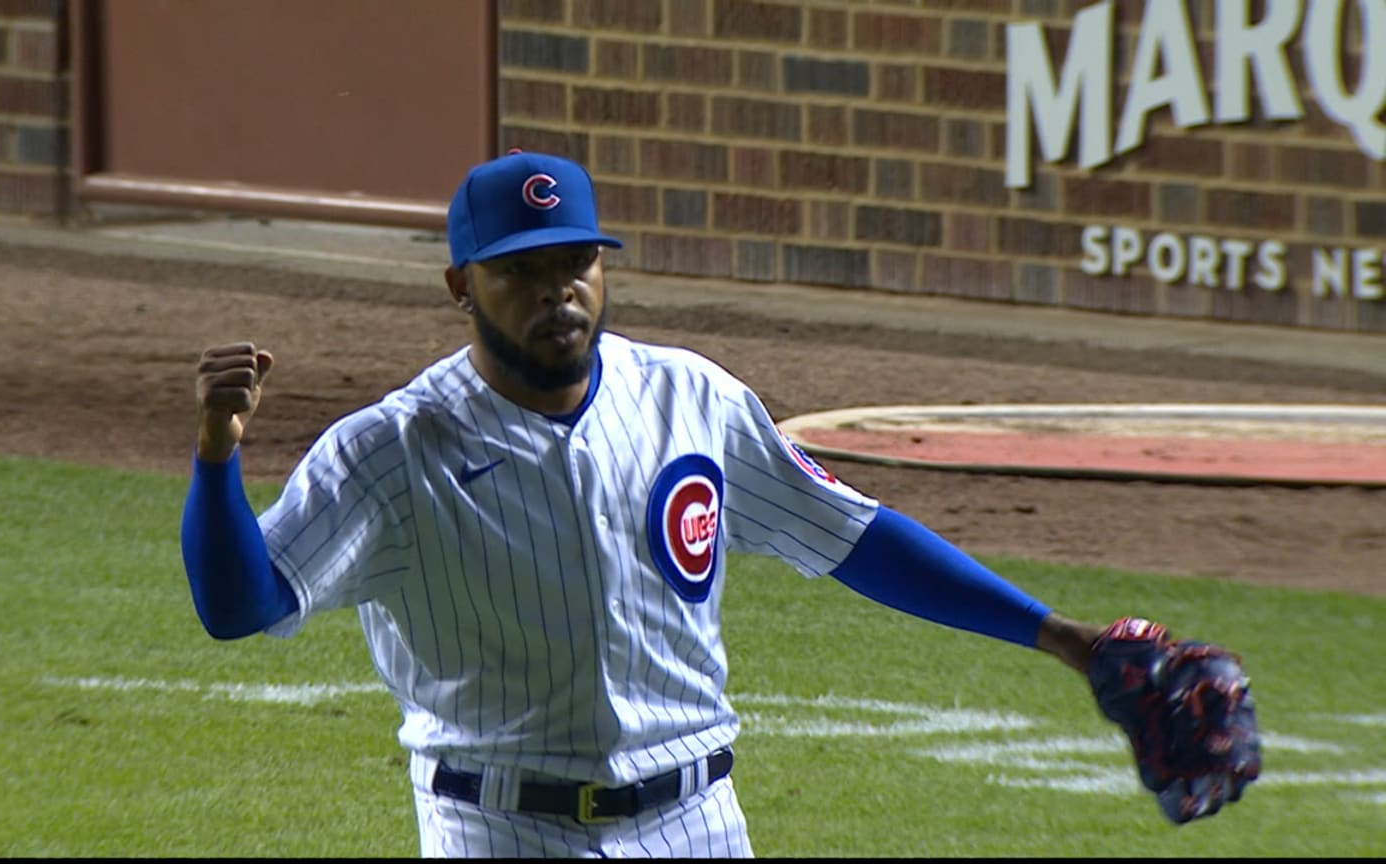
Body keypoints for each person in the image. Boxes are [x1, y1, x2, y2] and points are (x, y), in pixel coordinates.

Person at [180, 150, 1253, 858]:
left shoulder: (691, 397)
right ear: (461, 285)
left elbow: (854, 539)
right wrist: (219, 462)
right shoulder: (392, 449)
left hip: (699, 821)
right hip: (499, 831)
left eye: (578, 262)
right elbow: (241, 607)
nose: (560, 289)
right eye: (521, 271)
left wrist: (1062, 639)